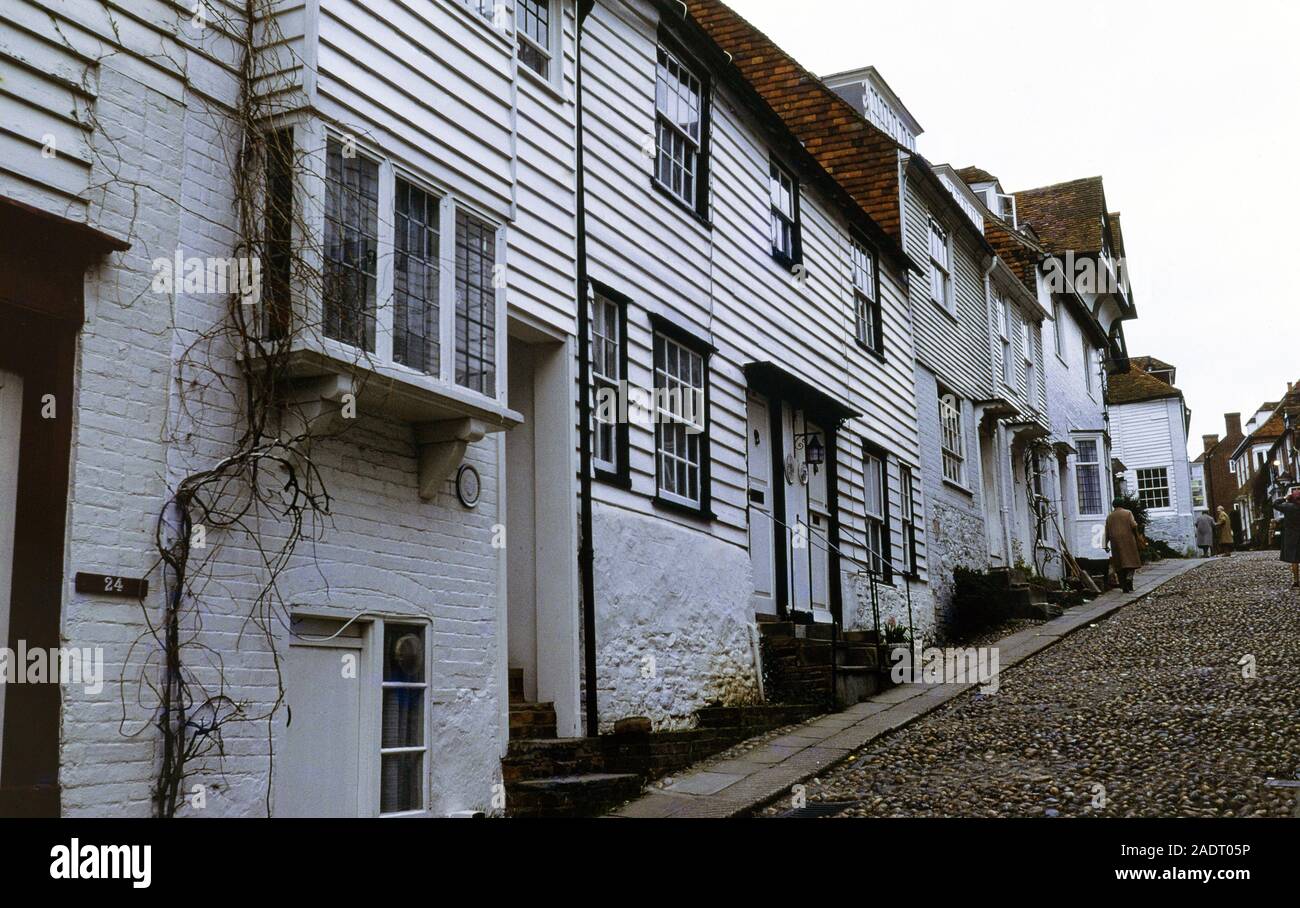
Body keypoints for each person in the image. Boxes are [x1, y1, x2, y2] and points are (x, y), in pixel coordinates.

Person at [1105, 497, 1143, 593]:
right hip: (1128, 540)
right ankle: (1129, 578)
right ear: (1122, 504)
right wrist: (1137, 537)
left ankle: (1124, 586)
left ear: (1114, 505)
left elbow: (1106, 532)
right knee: (1132, 562)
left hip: (1115, 543)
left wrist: (1105, 544)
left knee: (1120, 565)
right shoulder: (1128, 513)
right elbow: (1134, 525)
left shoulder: (1110, 516)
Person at [1274, 488, 1300, 590]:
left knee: (1295, 559)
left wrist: (1284, 498)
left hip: (1292, 537)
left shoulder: (1288, 507)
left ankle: (1296, 581)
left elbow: (1275, 504)